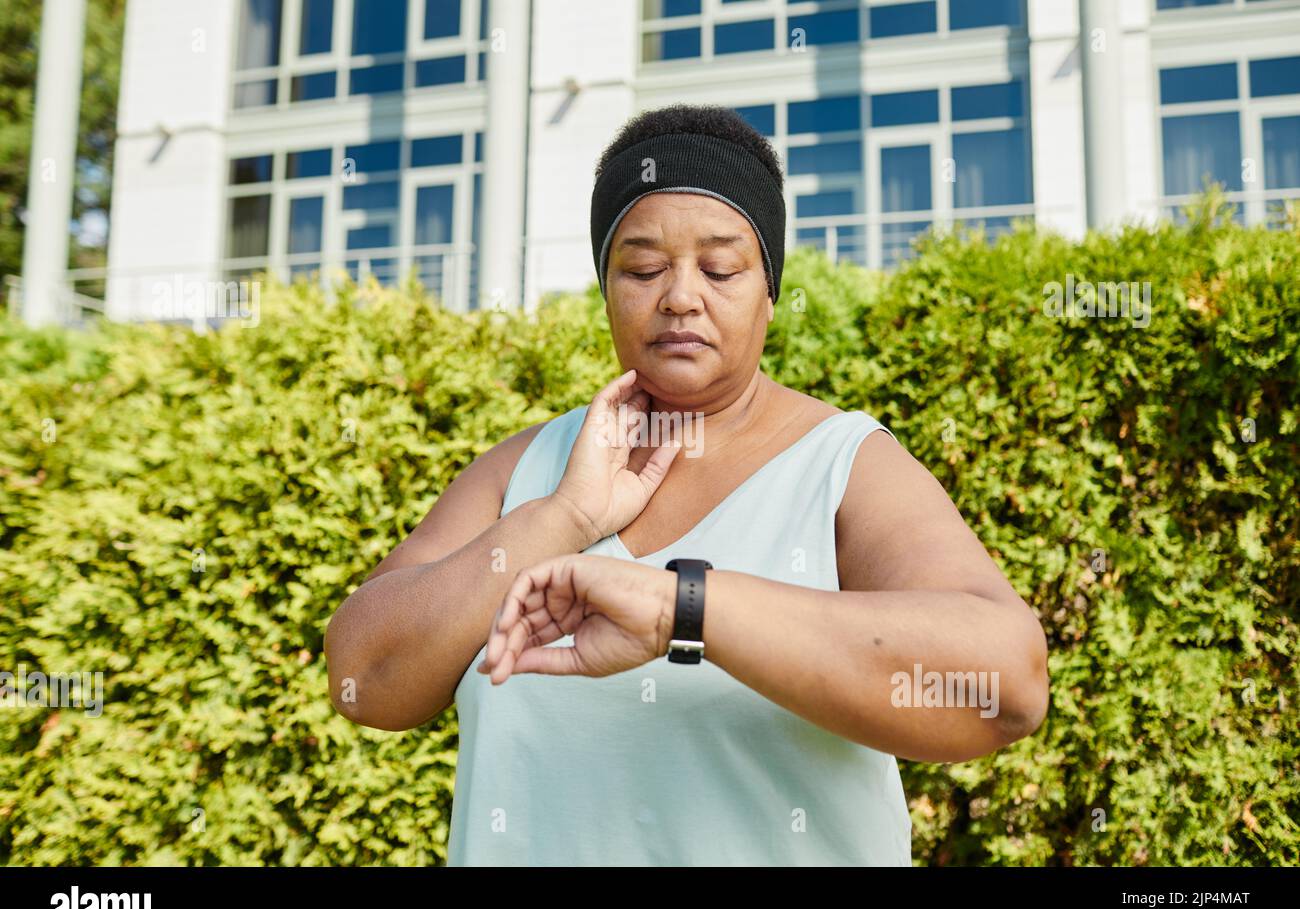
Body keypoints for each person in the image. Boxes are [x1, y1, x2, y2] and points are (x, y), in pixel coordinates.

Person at [324, 104, 1049, 866]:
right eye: (641, 269)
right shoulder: (525, 471)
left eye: (721, 267)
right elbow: (363, 679)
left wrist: (685, 607)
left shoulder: (840, 466)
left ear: (770, 289)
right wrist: (563, 518)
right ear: (606, 290)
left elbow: (1004, 687)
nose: (679, 296)